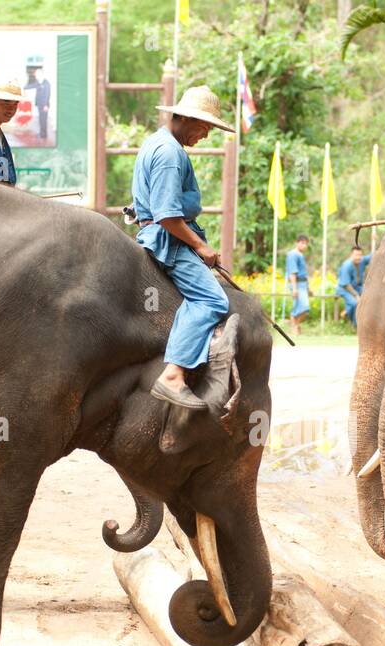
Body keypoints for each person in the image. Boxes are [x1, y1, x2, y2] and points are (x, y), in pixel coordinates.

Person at [131, 85, 235, 410]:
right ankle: (173, 375)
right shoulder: (169, 154)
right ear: (185, 118)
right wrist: (201, 246)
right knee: (213, 299)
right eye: (204, 127)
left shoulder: (160, 144)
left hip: (167, 234)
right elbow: (167, 216)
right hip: (168, 242)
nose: (205, 135)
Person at [336, 245, 371, 326]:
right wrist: (356, 295)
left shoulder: (361, 261)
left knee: (370, 298)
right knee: (355, 303)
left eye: (360, 255)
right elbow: (346, 284)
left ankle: (346, 311)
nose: (358, 257)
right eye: (356, 255)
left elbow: (373, 256)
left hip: (358, 287)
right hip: (345, 288)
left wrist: (374, 240)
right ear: (351, 255)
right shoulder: (347, 265)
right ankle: (355, 325)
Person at [285, 235, 311, 337]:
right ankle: (294, 326)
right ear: (297, 243)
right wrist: (295, 288)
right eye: (302, 243)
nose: (304, 245)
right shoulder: (293, 254)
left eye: (306, 244)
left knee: (304, 308)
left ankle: (295, 324)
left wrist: (309, 287)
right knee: (303, 306)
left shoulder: (300, 255)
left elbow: (304, 273)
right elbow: (292, 272)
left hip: (303, 284)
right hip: (297, 284)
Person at [24, 67, 52, 141]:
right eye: (35, 74)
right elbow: (31, 86)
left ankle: (43, 135)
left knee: (43, 120)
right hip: (39, 104)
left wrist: (46, 105)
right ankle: (42, 133)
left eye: (37, 74)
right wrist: (23, 87)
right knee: (41, 120)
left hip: (44, 106)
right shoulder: (39, 82)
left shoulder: (46, 83)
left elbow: (47, 94)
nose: (35, 76)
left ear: (41, 74)